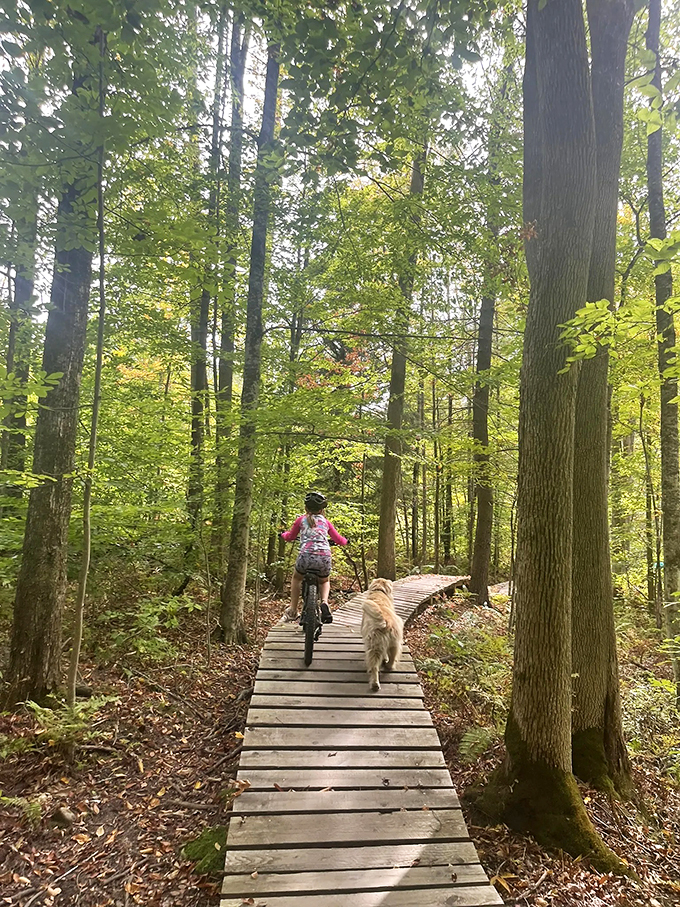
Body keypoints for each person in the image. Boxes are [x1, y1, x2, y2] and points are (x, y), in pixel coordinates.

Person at [280, 491, 348, 624]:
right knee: (324, 581)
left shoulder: (301, 520)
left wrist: (283, 535)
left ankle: (293, 610)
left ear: (306, 508)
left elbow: (290, 537)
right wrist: (345, 541)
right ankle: (325, 602)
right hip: (324, 558)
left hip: (305, 557)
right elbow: (339, 539)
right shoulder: (326, 523)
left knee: (296, 578)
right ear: (322, 510)